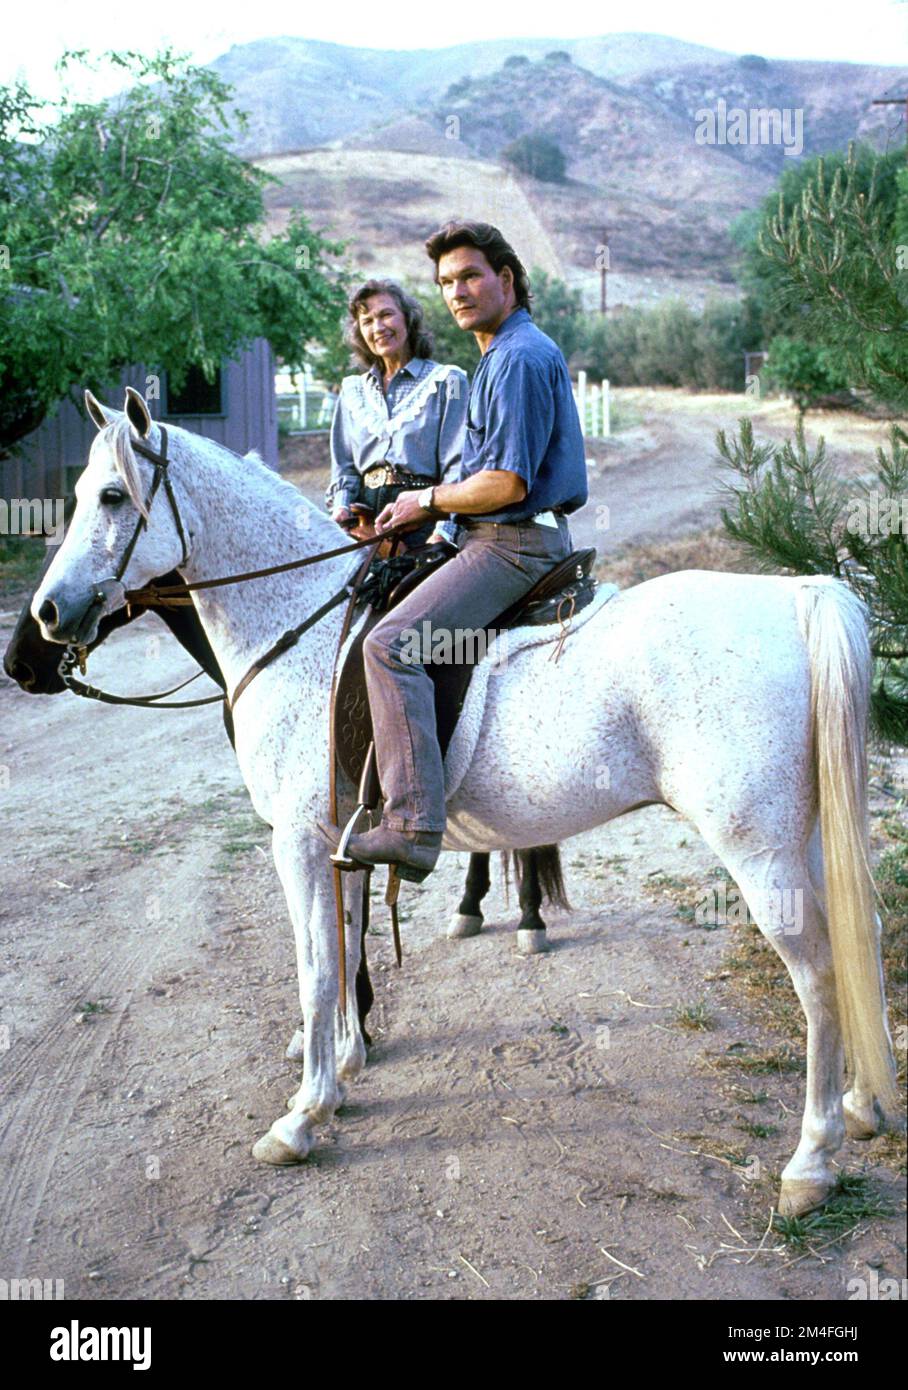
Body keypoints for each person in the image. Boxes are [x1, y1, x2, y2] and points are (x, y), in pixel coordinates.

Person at [320, 222, 588, 882]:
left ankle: (412, 825)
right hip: (500, 536)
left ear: (509, 278)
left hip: (512, 544)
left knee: (389, 645)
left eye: (469, 276)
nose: (457, 291)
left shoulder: (517, 358)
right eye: (445, 282)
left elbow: (506, 483)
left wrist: (426, 503)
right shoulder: (501, 354)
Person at [327, 279, 467, 551]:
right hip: (365, 526)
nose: (377, 328)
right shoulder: (351, 390)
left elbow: (459, 462)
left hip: (425, 521)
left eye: (386, 314)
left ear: (408, 319)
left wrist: (443, 530)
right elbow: (344, 466)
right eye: (366, 321)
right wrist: (342, 510)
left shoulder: (449, 380)